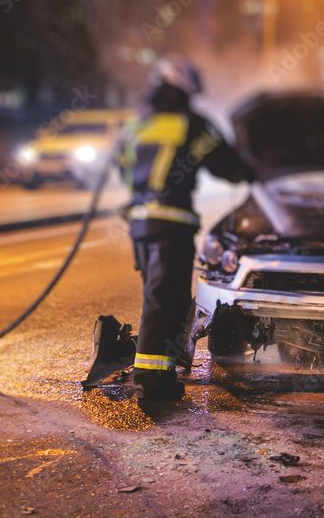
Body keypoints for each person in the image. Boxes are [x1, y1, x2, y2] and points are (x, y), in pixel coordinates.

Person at [118, 54, 254, 400]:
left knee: (166, 299)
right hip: (171, 224)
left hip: (141, 224)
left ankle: (162, 378)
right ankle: (149, 384)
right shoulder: (193, 124)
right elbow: (226, 166)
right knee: (165, 301)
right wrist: (250, 172)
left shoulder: (139, 124)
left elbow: (123, 165)